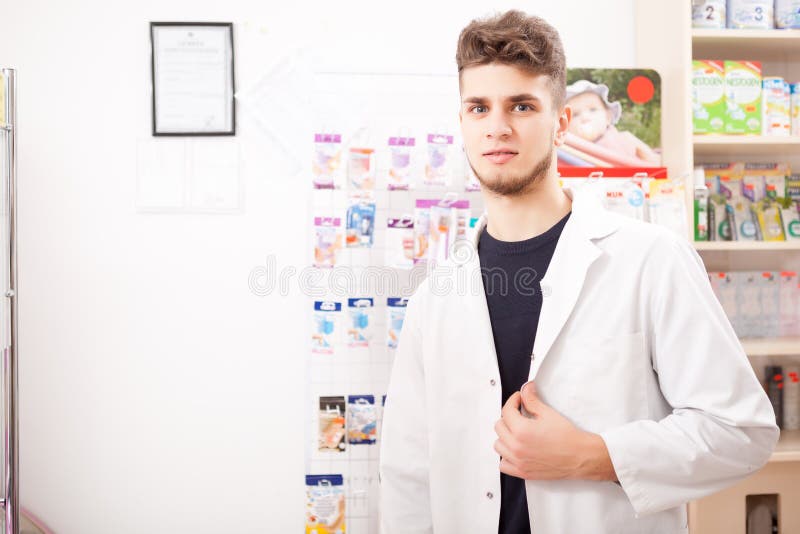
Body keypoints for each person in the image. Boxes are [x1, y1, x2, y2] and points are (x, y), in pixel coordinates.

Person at [378, 10, 778, 534]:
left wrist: (593, 456)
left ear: (561, 121)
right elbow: (409, 476)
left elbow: (741, 429)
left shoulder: (651, 259)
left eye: (522, 105)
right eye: (479, 107)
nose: (497, 127)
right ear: (462, 123)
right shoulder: (435, 297)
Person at [565, 79, 661, 165]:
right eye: (575, 115)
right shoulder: (569, 151)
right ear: (566, 126)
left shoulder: (623, 139)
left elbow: (653, 161)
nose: (585, 117)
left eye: (593, 110)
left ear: (608, 117)